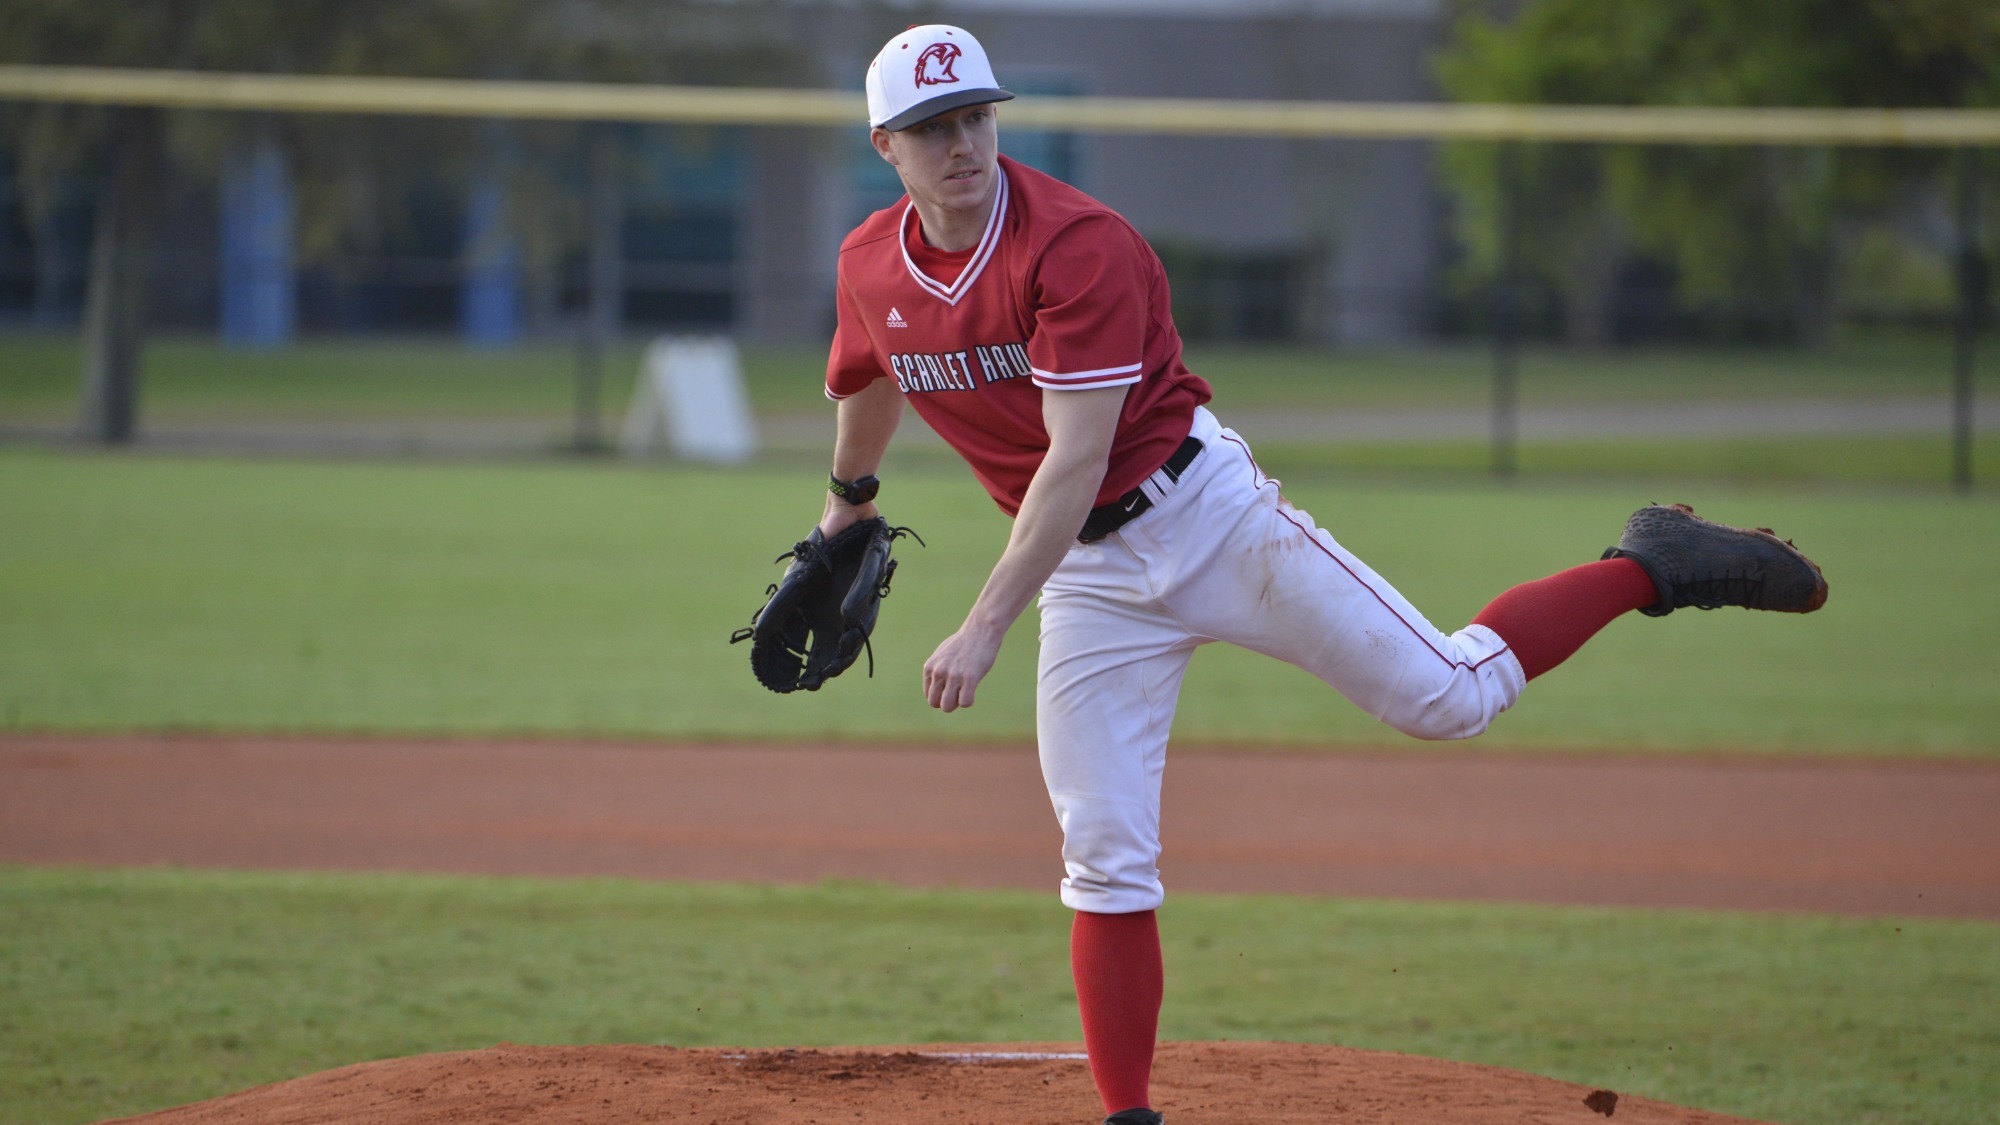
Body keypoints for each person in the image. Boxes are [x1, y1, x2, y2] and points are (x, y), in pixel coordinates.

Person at [813, 25, 1826, 1125]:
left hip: (1202, 515)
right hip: (1088, 577)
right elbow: (870, 371)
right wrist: (844, 510)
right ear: (884, 144)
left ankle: (1649, 564)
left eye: (973, 115)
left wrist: (983, 624)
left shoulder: (1075, 245)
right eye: (929, 127)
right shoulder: (870, 259)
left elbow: (1077, 457)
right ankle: (1128, 1115)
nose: (960, 142)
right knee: (1101, 852)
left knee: (1447, 698)